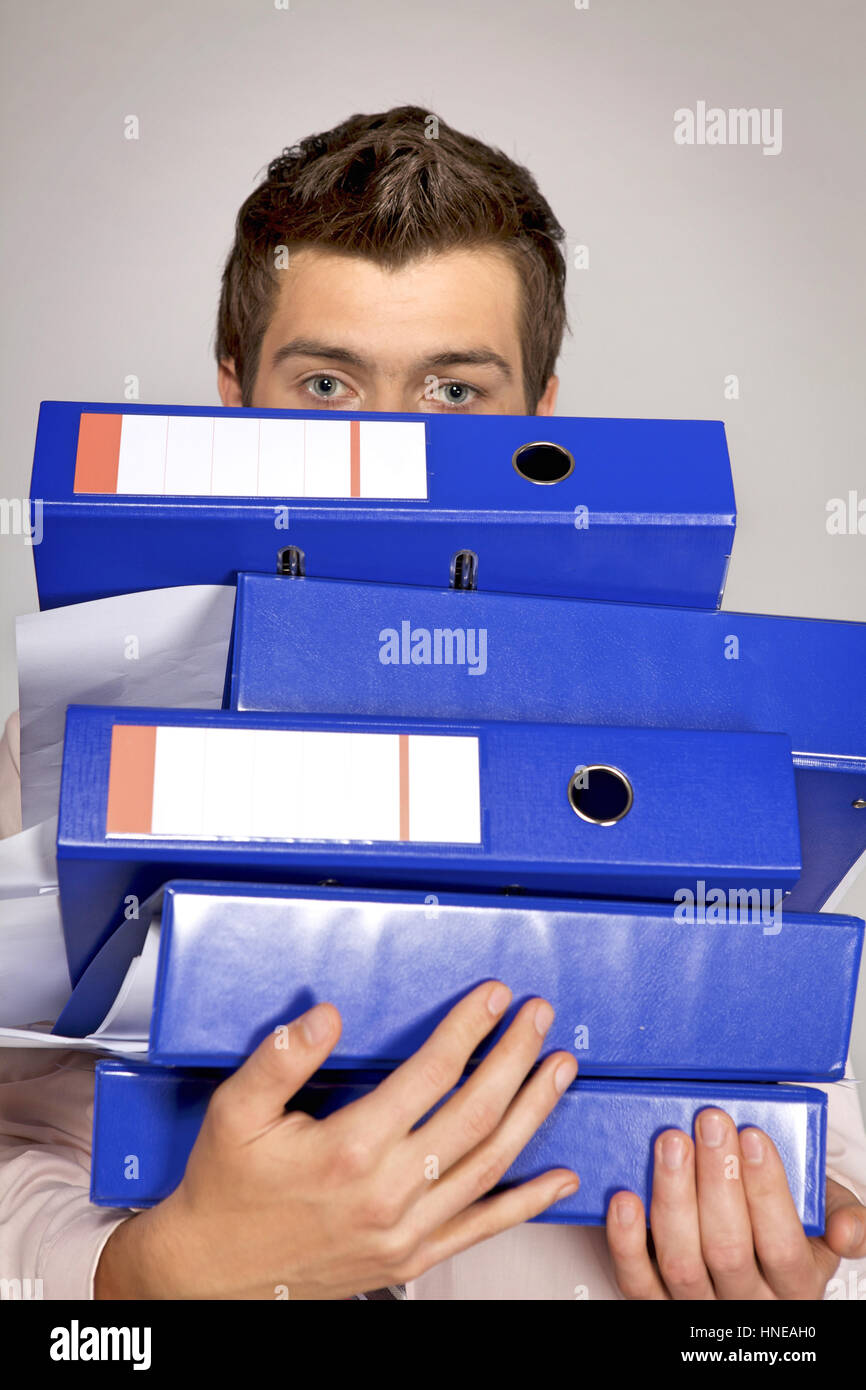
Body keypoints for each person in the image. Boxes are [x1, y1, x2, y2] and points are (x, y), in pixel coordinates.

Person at [2, 106, 865, 1301]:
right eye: (324, 383)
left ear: (539, 420)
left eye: (454, 394)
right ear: (230, 403)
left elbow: (806, 1140)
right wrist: (161, 1277)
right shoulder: (57, 759)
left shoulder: (694, 754)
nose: (391, 455)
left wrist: (758, 1327)